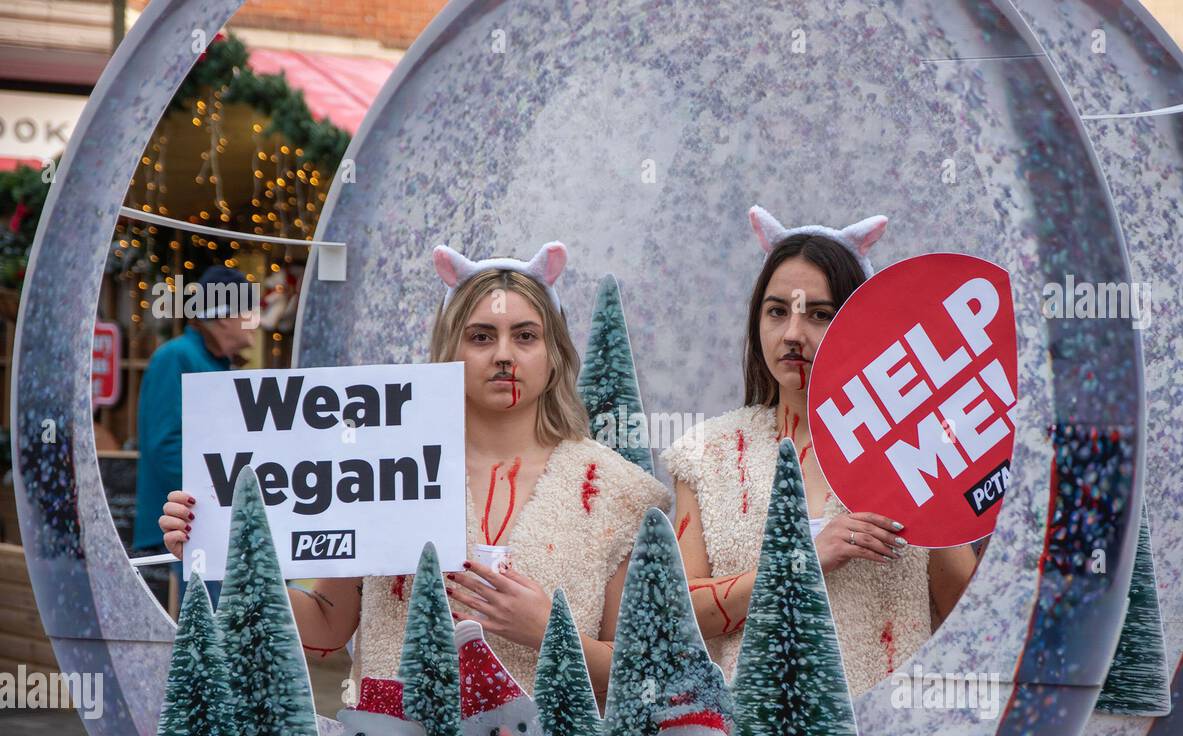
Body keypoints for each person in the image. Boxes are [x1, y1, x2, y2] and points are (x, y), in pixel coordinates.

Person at [159, 242, 668, 703]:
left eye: (526, 336)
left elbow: (642, 672)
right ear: (450, 351)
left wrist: (546, 629)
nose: (504, 355)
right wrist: (225, 549)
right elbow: (328, 625)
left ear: (555, 355)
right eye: (481, 336)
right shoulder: (383, 465)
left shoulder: (617, 494)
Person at [663, 207, 979, 696]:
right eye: (776, 311)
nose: (793, 333)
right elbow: (680, 616)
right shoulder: (708, 454)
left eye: (819, 314)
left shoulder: (909, 444)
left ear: (859, 321)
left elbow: (967, 613)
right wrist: (804, 559)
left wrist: (932, 464)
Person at [134, 265, 257, 609]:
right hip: (186, 529)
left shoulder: (216, 364)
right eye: (249, 309)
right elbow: (165, 446)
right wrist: (222, 494)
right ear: (223, 317)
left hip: (210, 526)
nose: (256, 318)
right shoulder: (175, 357)